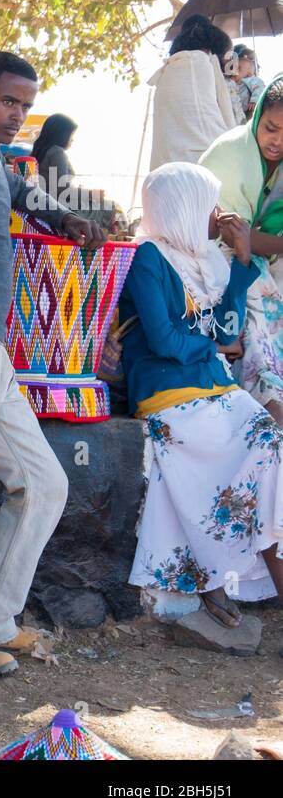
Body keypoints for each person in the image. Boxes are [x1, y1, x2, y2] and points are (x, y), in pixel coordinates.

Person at [0, 52, 107, 677]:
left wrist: (66, 216)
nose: (17, 115)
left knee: (44, 484)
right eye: (7, 101)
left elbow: (26, 194)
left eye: (25, 105)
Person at [120, 162, 283, 629]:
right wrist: (211, 346)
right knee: (269, 449)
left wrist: (243, 261)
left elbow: (228, 332)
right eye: (209, 205)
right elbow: (164, 342)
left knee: (273, 449)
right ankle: (218, 572)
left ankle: (224, 573)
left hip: (215, 388)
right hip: (170, 393)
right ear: (183, 207)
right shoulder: (148, 258)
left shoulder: (207, 260)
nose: (218, 214)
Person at [201, 76, 283, 422]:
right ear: (257, 116)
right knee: (256, 289)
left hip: (258, 256)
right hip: (212, 251)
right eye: (271, 129)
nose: (277, 142)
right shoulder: (234, 154)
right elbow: (236, 236)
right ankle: (268, 396)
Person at [148, 15, 236, 169]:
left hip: (166, 168)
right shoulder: (203, 61)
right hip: (204, 163)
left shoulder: (166, 71)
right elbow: (228, 119)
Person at [30, 113, 116, 229]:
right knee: (111, 207)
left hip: (43, 204)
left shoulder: (39, 152)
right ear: (62, 134)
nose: (72, 139)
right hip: (58, 207)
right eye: (71, 135)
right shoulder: (57, 153)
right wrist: (91, 194)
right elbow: (62, 190)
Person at [232, 45, 266, 121]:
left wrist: (254, 100)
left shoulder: (249, 80)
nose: (234, 71)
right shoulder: (233, 82)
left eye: (239, 68)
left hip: (248, 108)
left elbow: (259, 87)